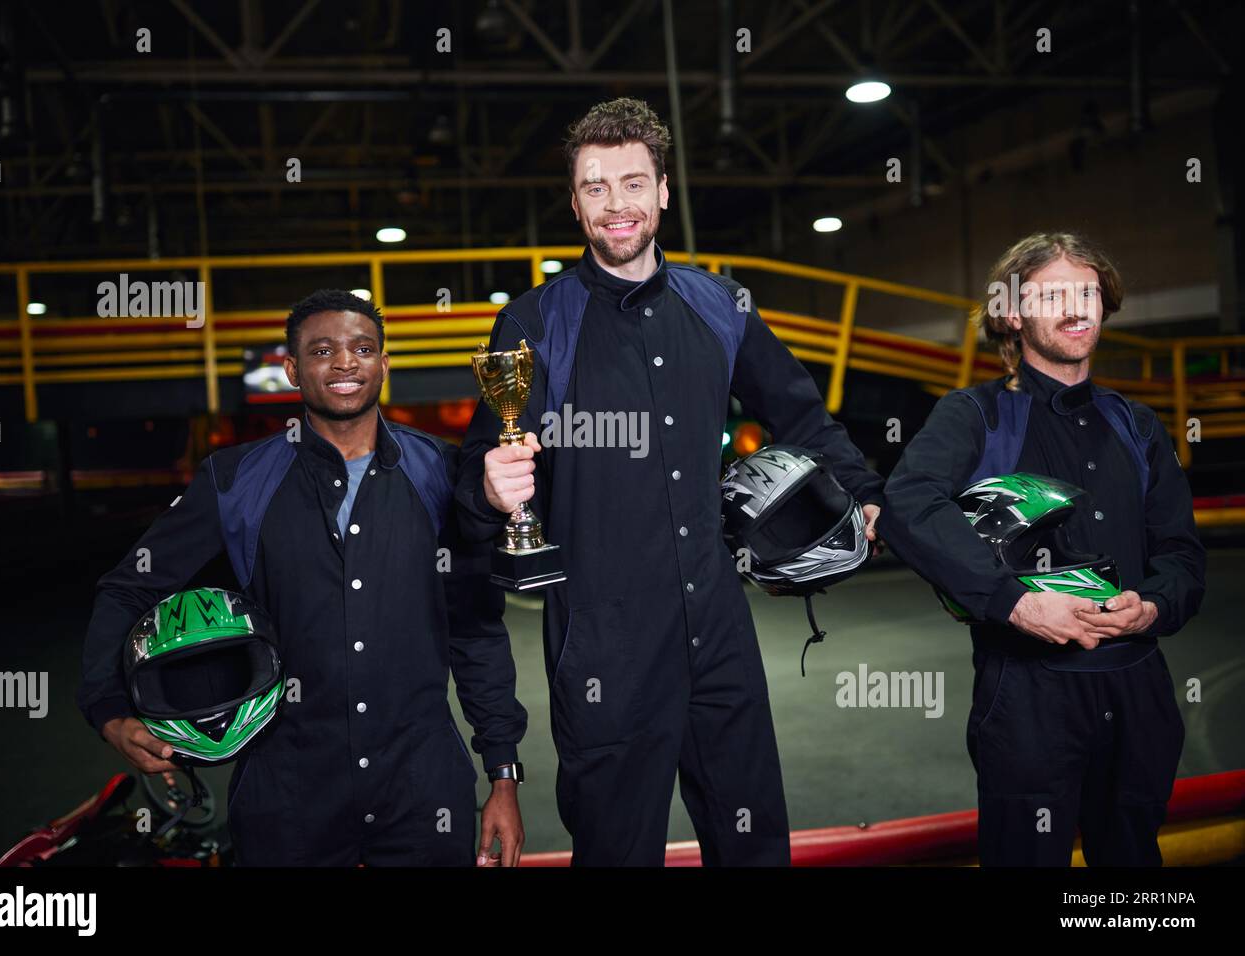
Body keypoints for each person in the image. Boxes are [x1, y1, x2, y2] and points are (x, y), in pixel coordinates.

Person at [455, 98, 884, 866]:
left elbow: (802, 416)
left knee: (754, 846)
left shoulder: (719, 304)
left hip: (719, 627)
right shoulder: (532, 324)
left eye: (631, 183)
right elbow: (478, 474)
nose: (615, 205)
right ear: (575, 200)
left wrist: (867, 494)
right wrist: (491, 489)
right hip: (603, 646)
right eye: (594, 187)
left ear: (662, 190)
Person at [77, 289, 528, 866]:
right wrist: (109, 709)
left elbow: (475, 632)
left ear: (384, 365)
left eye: (363, 348)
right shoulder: (235, 480)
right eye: (322, 351)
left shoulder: (442, 472)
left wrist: (503, 775)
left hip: (421, 787)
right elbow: (128, 587)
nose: (345, 363)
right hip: (286, 793)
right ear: (291, 369)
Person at [880, 233, 1206, 866]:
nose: (1076, 307)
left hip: (1139, 689)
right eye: (1053, 294)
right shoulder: (974, 416)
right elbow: (907, 505)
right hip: (1027, 696)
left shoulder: (1137, 425)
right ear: (1010, 313)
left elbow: (1182, 553)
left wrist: (1156, 606)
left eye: (1086, 292)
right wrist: (1017, 604)